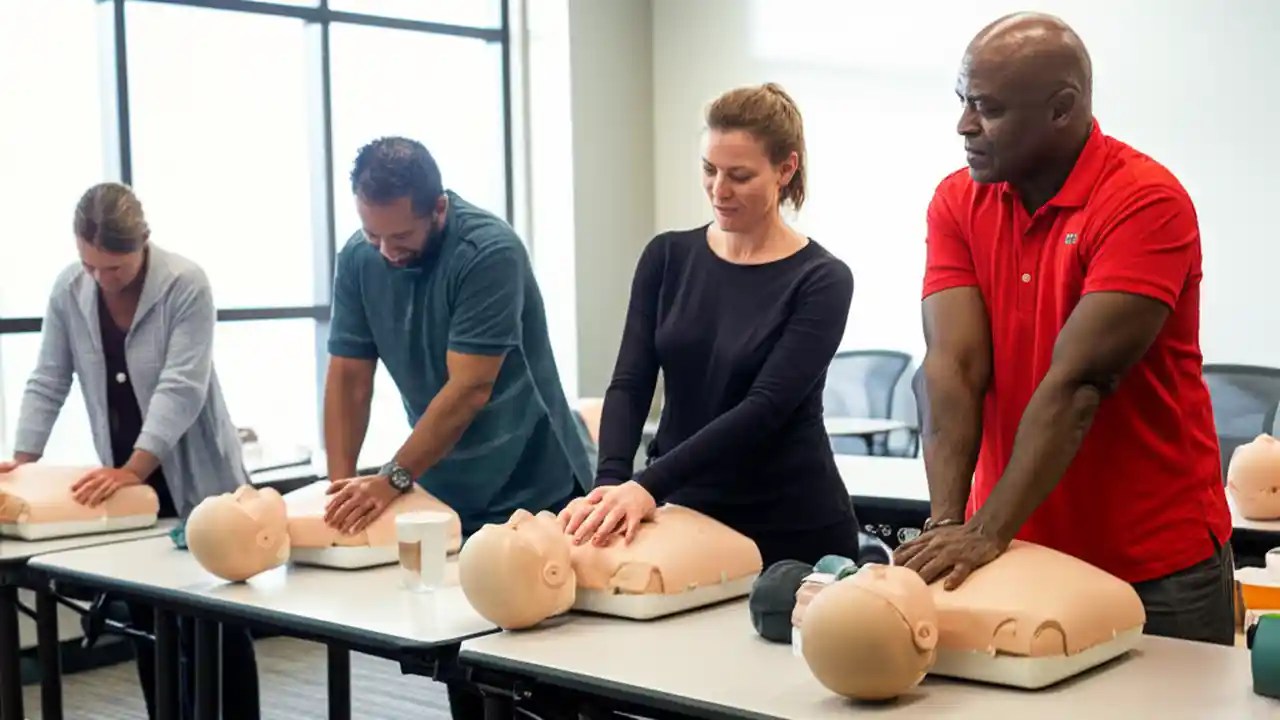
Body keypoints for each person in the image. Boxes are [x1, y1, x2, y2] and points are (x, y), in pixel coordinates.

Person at [892, 12, 1234, 645]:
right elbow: (954, 367)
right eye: (963, 101)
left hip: (1153, 564)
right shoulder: (957, 202)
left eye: (988, 108)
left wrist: (984, 530)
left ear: (1062, 109)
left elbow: (1080, 383)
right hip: (1014, 550)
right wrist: (948, 523)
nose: (965, 124)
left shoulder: (1144, 201)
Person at [559, 83, 862, 569]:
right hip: (683, 509)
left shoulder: (821, 280)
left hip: (787, 527)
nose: (719, 190)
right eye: (709, 169)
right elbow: (631, 382)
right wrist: (611, 485)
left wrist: (646, 486)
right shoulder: (667, 256)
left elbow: (764, 408)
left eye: (739, 176)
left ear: (786, 168)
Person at [0, 182, 262, 716]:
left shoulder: (185, 283)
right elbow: (49, 378)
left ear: (143, 243)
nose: (100, 278)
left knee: (214, 625)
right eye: (90, 265)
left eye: (113, 268)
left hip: (197, 483)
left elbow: (181, 385)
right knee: (149, 625)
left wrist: (135, 467)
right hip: (131, 493)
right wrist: (22, 464)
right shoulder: (69, 289)